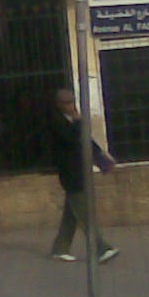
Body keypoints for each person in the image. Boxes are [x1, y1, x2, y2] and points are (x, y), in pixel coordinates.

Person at [49, 89, 118, 264]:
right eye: (67, 103)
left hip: (80, 171)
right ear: (59, 104)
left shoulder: (72, 121)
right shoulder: (56, 122)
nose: (71, 106)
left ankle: (60, 248)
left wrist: (101, 155)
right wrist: (78, 122)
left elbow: (86, 140)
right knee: (85, 213)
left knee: (71, 214)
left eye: (72, 101)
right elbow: (73, 140)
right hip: (71, 174)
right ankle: (101, 249)